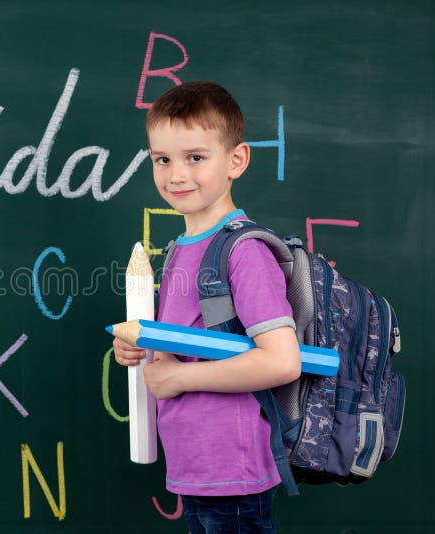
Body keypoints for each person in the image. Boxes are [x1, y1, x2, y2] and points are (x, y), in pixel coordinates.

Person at [113, 82, 301, 533]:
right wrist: (144, 350)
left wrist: (179, 377)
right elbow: (195, 341)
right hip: (197, 467)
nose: (176, 174)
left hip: (233, 474)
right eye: (162, 159)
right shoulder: (180, 248)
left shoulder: (242, 251)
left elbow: (282, 361)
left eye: (195, 157)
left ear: (236, 160)